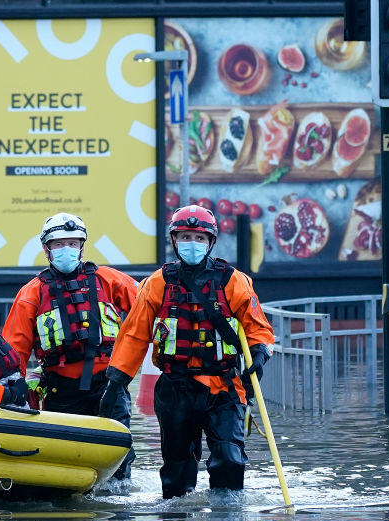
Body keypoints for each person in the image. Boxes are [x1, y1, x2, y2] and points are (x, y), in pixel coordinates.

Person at [99, 205, 274, 498]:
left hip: (223, 386)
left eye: (199, 238)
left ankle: (228, 520)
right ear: (174, 240)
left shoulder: (233, 281)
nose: (192, 243)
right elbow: (134, 335)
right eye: (185, 237)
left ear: (210, 242)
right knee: (177, 472)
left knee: (230, 459)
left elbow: (257, 326)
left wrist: (259, 354)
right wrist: (116, 382)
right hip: (175, 388)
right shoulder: (157, 283)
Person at [3, 212, 138, 478]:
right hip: (61, 387)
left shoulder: (108, 279)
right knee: (62, 458)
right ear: (47, 250)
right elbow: (14, 348)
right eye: (59, 244)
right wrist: (12, 389)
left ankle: (119, 492)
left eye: (73, 243)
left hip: (109, 384)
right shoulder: (32, 292)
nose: (67, 249)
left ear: (82, 247)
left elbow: (147, 308)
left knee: (118, 457)